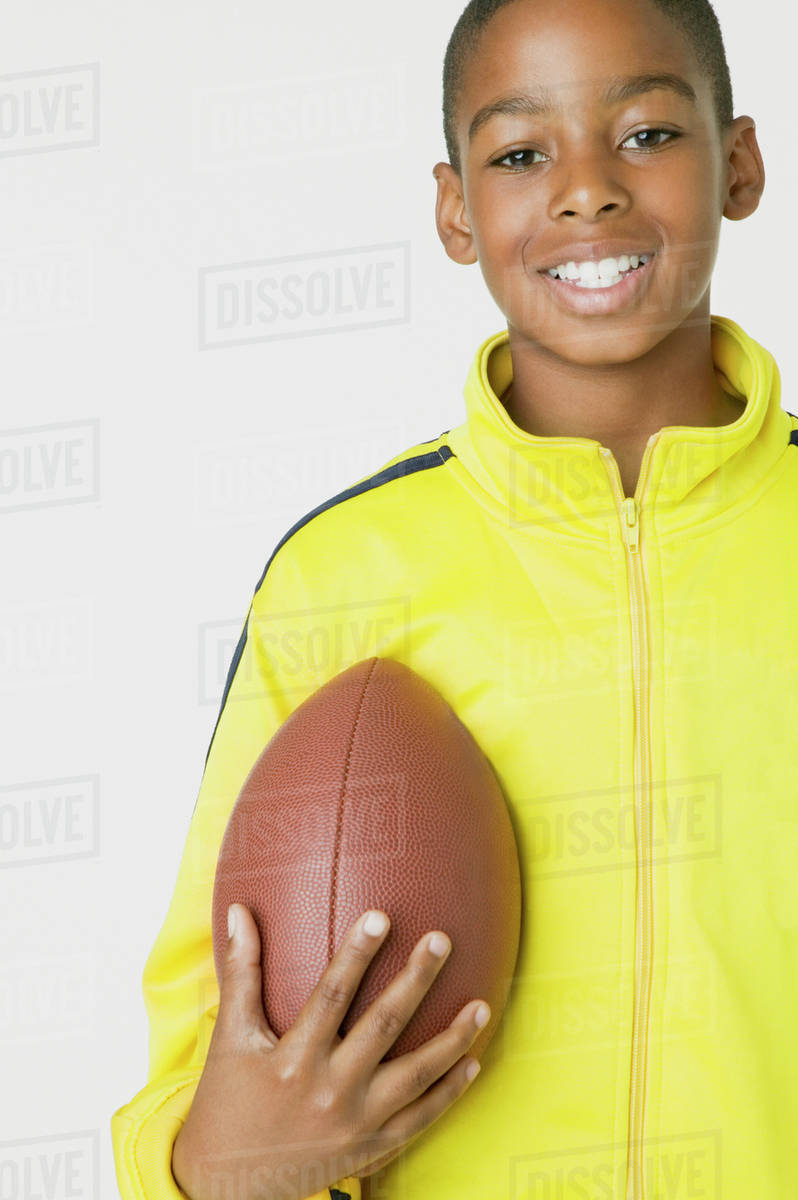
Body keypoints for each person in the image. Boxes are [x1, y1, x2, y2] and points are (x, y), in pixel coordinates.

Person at [112, 0, 798, 1197]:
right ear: (453, 208)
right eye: (521, 154)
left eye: (645, 134)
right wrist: (221, 1159)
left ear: (738, 162)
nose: (587, 191)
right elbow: (198, 1055)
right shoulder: (346, 571)